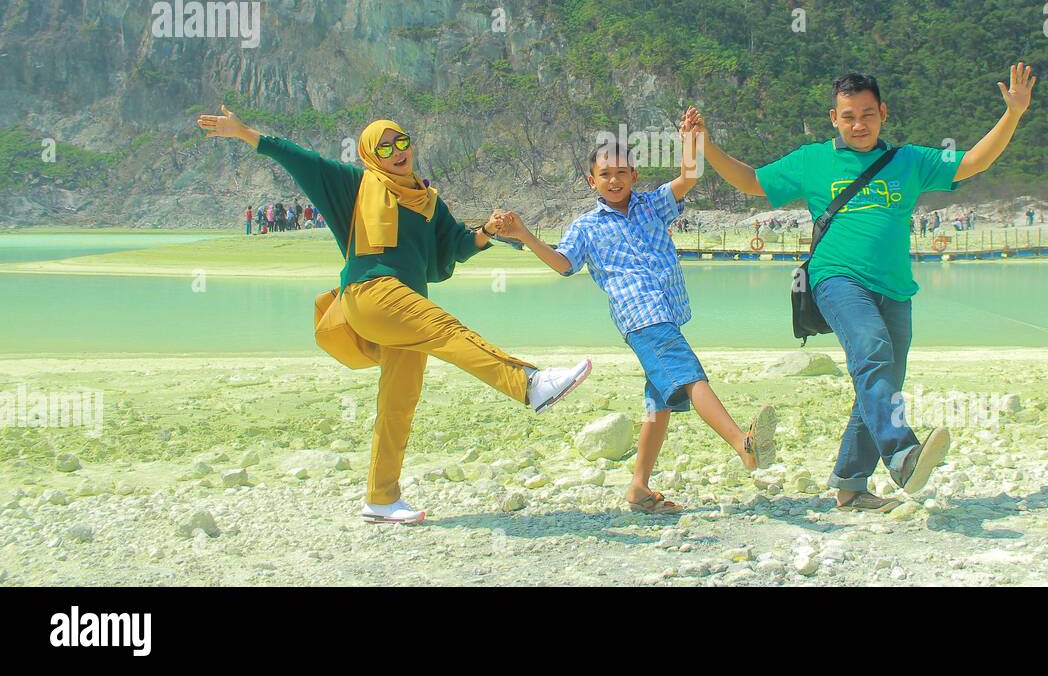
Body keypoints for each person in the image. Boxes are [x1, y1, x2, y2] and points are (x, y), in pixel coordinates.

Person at [196, 105, 591, 525]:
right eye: (384, 147)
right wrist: (243, 132)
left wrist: (488, 231)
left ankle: (380, 498)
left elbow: (454, 247)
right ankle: (529, 383)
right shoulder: (355, 184)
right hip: (371, 293)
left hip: (404, 305)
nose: (397, 151)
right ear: (370, 155)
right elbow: (299, 158)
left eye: (401, 141)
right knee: (447, 330)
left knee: (398, 401)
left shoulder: (427, 200)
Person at [691, 63, 1036, 510]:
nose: (859, 124)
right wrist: (707, 146)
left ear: (883, 114)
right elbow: (753, 181)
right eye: (849, 115)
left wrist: (1013, 114)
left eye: (867, 114)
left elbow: (972, 162)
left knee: (882, 381)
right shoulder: (813, 160)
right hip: (836, 279)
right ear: (834, 118)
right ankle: (903, 453)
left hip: (895, 288)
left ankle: (851, 486)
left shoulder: (909, 160)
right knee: (872, 351)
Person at [493, 115, 777, 514]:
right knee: (689, 374)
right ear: (590, 181)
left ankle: (639, 488)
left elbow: (688, 179)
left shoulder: (651, 205)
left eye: (622, 172)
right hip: (640, 317)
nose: (614, 180)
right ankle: (740, 443)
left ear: (634, 175)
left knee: (658, 403)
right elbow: (562, 264)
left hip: (668, 311)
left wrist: (691, 141)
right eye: (605, 174)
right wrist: (523, 234)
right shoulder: (587, 227)